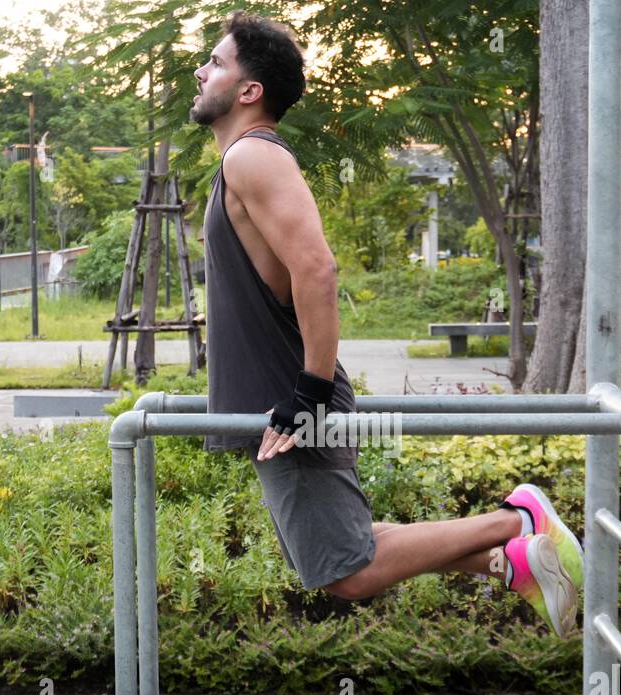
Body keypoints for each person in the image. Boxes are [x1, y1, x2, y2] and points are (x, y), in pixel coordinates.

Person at [189, 11, 582, 638]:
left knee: (349, 572)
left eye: (216, 61)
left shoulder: (251, 158)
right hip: (283, 401)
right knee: (349, 547)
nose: (201, 70)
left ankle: (516, 521)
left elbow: (317, 269)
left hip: (291, 403)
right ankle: (512, 561)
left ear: (248, 90)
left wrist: (308, 397)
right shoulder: (242, 161)